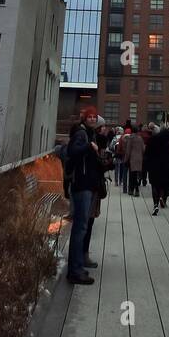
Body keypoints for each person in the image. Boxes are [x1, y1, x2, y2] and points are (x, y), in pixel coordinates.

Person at [65, 106, 105, 285]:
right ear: (84, 118)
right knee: (80, 228)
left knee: (81, 227)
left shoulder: (88, 134)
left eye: (94, 116)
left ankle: (78, 268)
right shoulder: (82, 135)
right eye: (90, 116)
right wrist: (89, 146)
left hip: (86, 185)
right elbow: (72, 151)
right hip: (82, 186)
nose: (92, 119)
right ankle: (74, 271)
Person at [143, 121, 169, 215]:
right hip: (166, 168)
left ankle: (155, 204)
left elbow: (147, 154)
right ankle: (163, 198)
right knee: (165, 185)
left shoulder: (152, 140)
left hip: (154, 167)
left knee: (154, 185)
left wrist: (147, 165)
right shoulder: (168, 144)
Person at [125, 124, 145, 196]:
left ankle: (135, 190)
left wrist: (126, 159)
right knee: (135, 175)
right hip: (139, 159)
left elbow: (128, 150)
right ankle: (132, 190)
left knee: (132, 175)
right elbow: (143, 149)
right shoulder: (140, 138)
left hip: (132, 159)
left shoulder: (131, 138)